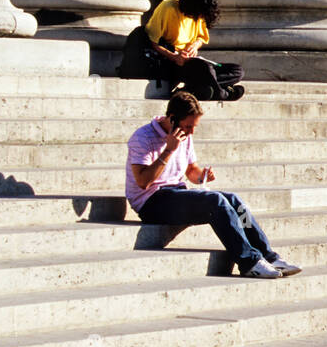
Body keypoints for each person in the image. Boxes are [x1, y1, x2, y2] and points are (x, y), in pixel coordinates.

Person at [127, 92, 300, 277]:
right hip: (151, 202)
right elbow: (143, 181)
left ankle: (269, 256)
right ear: (172, 118)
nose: (191, 132)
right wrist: (168, 150)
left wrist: (202, 176)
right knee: (215, 201)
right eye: (188, 126)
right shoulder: (143, 137)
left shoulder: (184, 135)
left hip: (175, 193)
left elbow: (191, 170)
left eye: (194, 127)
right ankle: (249, 262)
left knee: (234, 199)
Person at [118, 0, 245, 101]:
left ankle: (193, 90)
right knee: (206, 69)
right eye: (198, 15)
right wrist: (175, 57)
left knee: (237, 71)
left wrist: (193, 47)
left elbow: (201, 38)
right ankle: (223, 94)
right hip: (170, 61)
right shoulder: (167, 7)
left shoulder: (199, 14)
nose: (199, 18)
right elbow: (153, 42)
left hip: (189, 61)